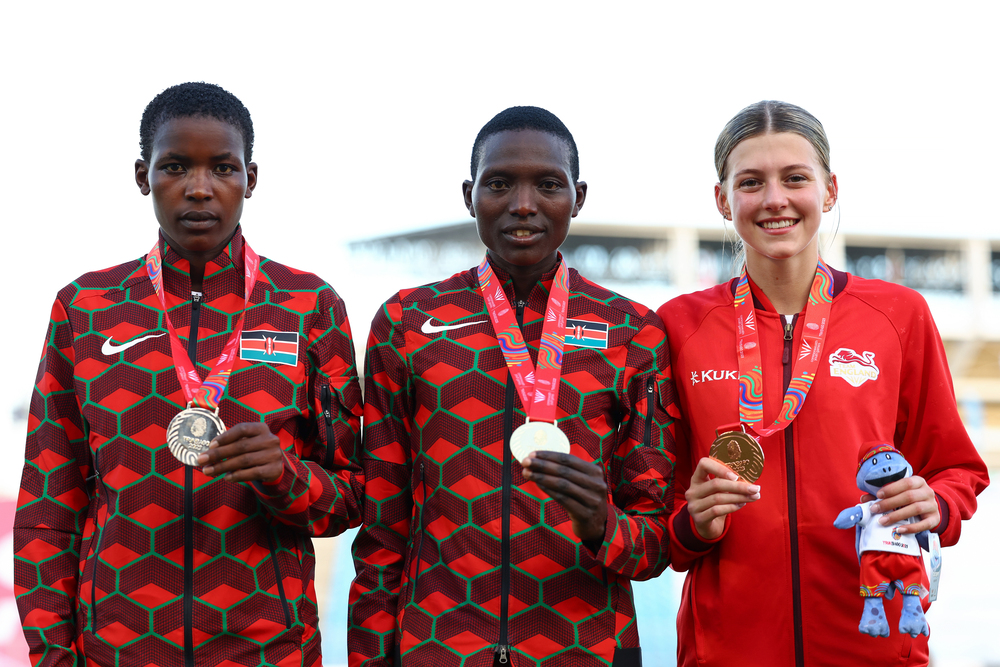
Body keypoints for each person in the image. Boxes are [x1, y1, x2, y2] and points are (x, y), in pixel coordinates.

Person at [14, 82, 364, 667]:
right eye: (175, 166)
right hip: (117, 652)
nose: (200, 188)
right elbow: (49, 510)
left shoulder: (309, 306)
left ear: (251, 178)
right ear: (141, 175)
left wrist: (284, 474)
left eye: (222, 168)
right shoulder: (85, 307)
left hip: (268, 651)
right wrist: (54, 656)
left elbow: (354, 496)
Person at [656, 100, 990, 666]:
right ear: (723, 199)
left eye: (795, 178)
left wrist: (935, 502)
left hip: (876, 645)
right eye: (751, 182)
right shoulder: (678, 326)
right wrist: (692, 523)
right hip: (730, 650)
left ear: (829, 190)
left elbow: (958, 469)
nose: (774, 199)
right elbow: (653, 506)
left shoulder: (896, 315)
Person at [348, 107, 678, 667]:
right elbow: (383, 527)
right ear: (468, 194)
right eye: (499, 184)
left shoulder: (632, 331)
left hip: (588, 649)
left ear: (578, 197)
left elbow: (656, 542)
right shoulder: (406, 321)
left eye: (548, 185)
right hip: (438, 647)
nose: (523, 205)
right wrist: (372, 657)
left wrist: (604, 522)